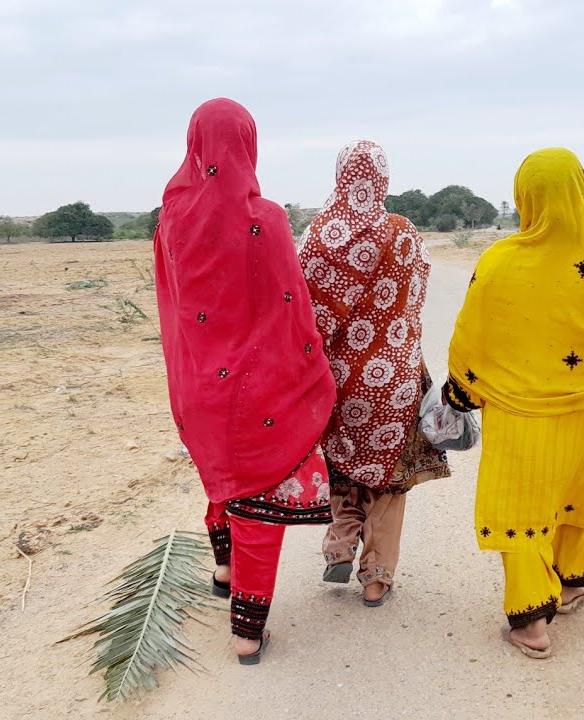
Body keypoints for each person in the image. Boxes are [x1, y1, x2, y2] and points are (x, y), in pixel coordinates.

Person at [443, 148, 584, 658]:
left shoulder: (500, 261)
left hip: (518, 418)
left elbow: (473, 339)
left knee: (519, 509)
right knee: (574, 493)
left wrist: (457, 393)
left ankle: (532, 625)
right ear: (581, 192)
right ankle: (571, 582)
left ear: (524, 196)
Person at [154, 98, 337, 664]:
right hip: (260, 388)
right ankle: (247, 634)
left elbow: (176, 306)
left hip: (199, 388)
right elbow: (292, 305)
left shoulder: (170, 220)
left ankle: (224, 569)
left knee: (223, 477)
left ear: (195, 145)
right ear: (249, 144)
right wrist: (313, 366)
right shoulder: (268, 220)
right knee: (260, 498)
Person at [299, 140, 449, 607]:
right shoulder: (404, 232)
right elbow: (416, 298)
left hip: (339, 379)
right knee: (388, 479)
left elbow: (303, 312)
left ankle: (340, 543)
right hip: (395, 378)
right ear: (382, 179)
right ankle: (376, 579)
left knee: (342, 464)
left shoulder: (320, 234)